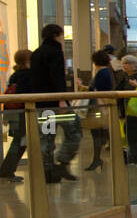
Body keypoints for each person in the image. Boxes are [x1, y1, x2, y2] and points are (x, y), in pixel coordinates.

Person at [29, 23, 82, 184]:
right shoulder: (56, 51)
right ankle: (62, 161)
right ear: (56, 35)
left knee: (47, 138)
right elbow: (56, 76)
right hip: (57, 104)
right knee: (75, 131)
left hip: (42, 105)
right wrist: (61, 99)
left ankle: (48, 171)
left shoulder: (36, 53)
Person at [0, 48, 32, 182]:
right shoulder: (28, 75)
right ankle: (7, 170)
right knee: (20, 142)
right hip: (21, 113)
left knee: (19, 142)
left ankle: (7, 170)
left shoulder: (15, 75)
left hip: (13, 113)